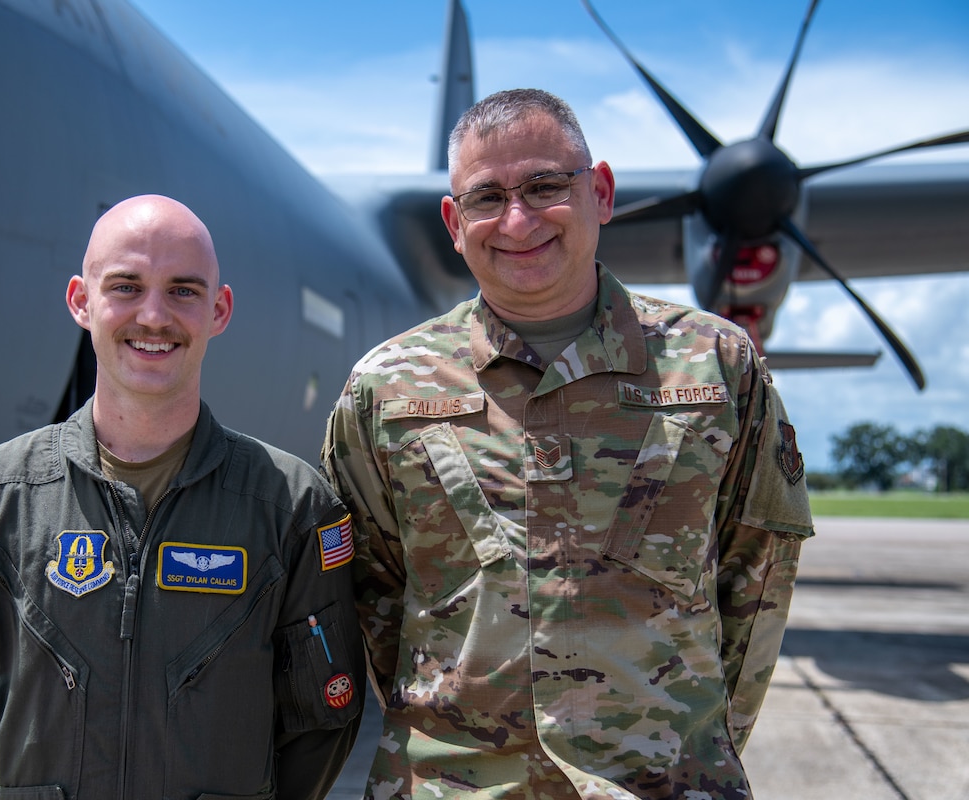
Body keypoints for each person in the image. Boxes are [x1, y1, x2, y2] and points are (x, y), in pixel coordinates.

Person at [321, 89, 813, 799]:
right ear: (454, 223)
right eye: (486, 197)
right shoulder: (385, 388)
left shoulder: (717, 366)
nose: (517, 219)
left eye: (547, 186)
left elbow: (757, 578)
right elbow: (372, 594)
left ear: (602, 192)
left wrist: (687, 743)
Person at [0, 194, 363, 800]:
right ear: (81, 301)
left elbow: (321, 722)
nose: (154, 316)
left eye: (183, 290)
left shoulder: (290, 509)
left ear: (220, 309)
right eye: (126, 286)